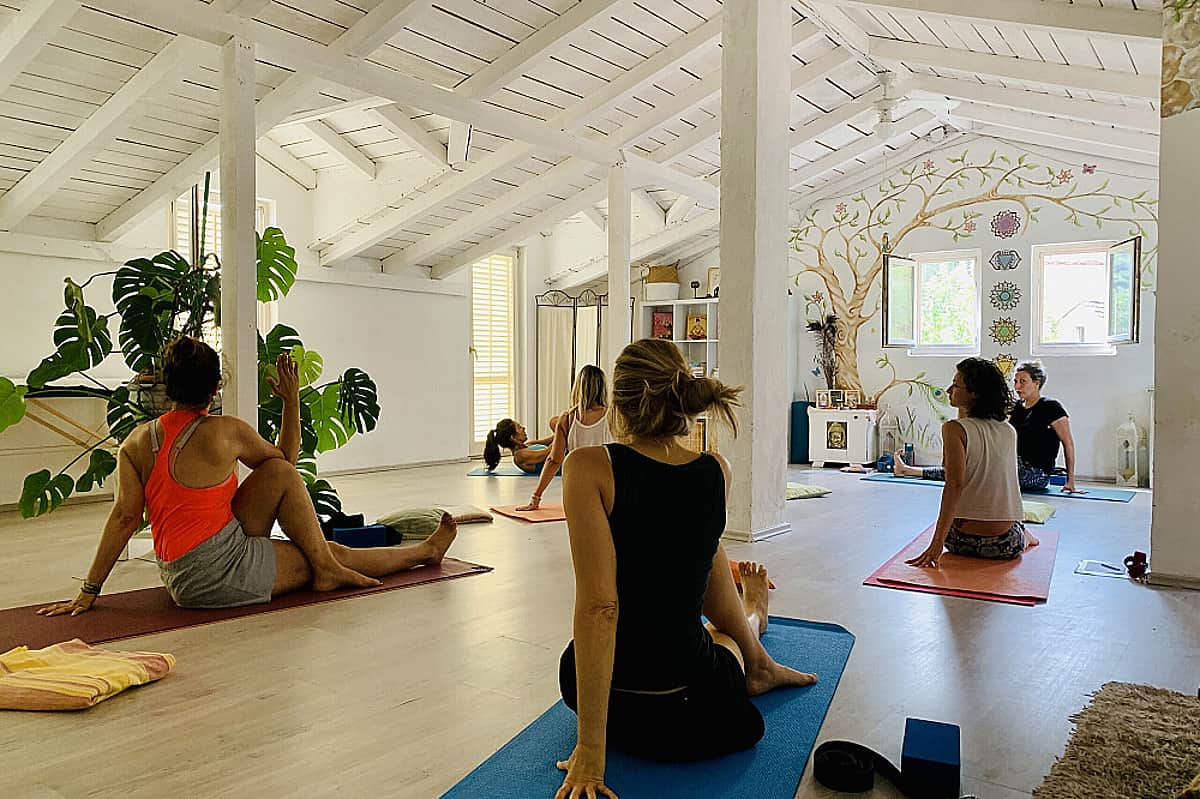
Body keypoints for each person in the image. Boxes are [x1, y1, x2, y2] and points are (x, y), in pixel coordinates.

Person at [554, 339, 816, 798]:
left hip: (606, 702)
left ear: (620, 403)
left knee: (702, 582)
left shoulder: (587, 467)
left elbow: (600, 609)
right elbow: (696, 580)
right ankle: (755, 632)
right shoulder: (716, 470)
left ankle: (757, 648)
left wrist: (592, 749)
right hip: (687, 708)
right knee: (717, 638)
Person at [37, 337, 457, 617]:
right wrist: (291, 401)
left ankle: (353, 561)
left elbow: (124, 518)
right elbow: (287, 461)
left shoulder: (135, 442)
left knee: (293, 500)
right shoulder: (227, 432)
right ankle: (417, 553)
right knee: (328, 553)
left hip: (180, 573)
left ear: (167, 386)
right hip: (218, 574)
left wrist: (89, 590)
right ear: (215, 388)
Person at [898, 358, 1039, 568]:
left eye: (956, 385)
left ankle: (1024, 533)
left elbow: (953, 484)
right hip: (1005, 545)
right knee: (1019, 529)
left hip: (959, 542)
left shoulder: (953, 429)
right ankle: (1026, 536)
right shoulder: (1009, 430)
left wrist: (936, 544)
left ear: (974, 393)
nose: (948, 390)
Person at [518, 365, 612, 511]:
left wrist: (536, 497)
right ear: (603, 388)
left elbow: (554, 460)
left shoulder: (567, 418)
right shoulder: (613, 416)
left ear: (578, 388)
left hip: (578, 486)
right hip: (607, 485)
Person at [1011, 361, 1083, 494]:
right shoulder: (1016, 408)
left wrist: (1070, 481)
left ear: (1036, 383)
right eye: (1015, 382)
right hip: (1014, 468)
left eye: (1022, 382)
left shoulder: (1051, 407)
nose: (1017, 386)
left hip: (1036, 474)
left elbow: (1068, 444)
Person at [483, 418, 556, 474]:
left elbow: (550, 440)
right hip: (560, 466)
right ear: (513, 438)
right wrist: (560, 432)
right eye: (519, 427)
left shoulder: (529, 444)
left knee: (553, 421)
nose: (523, 428)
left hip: (562, 457)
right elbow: (547, 454)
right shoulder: (519, 456)